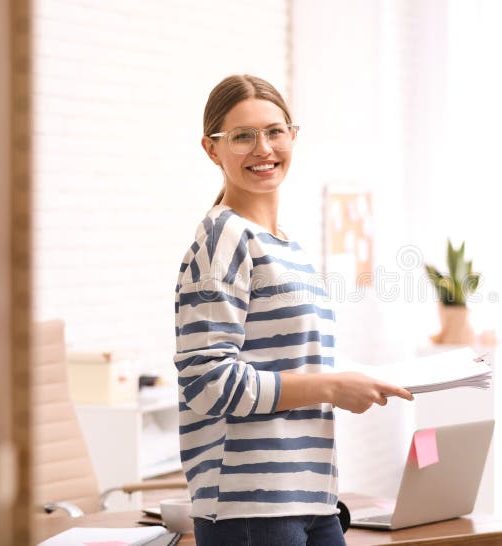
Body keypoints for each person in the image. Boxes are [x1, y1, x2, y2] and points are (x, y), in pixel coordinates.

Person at [173, 74, 413, 546]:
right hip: (249, 507)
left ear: (293, 136)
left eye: (274, 131)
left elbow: (290, 364)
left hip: (311, 498)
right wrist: (332, 387)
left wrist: (353, 380)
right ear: (212, 149)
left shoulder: (286, 246)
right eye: (242, 136)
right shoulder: (224, 238)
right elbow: (206, 381)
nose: (263, 148)